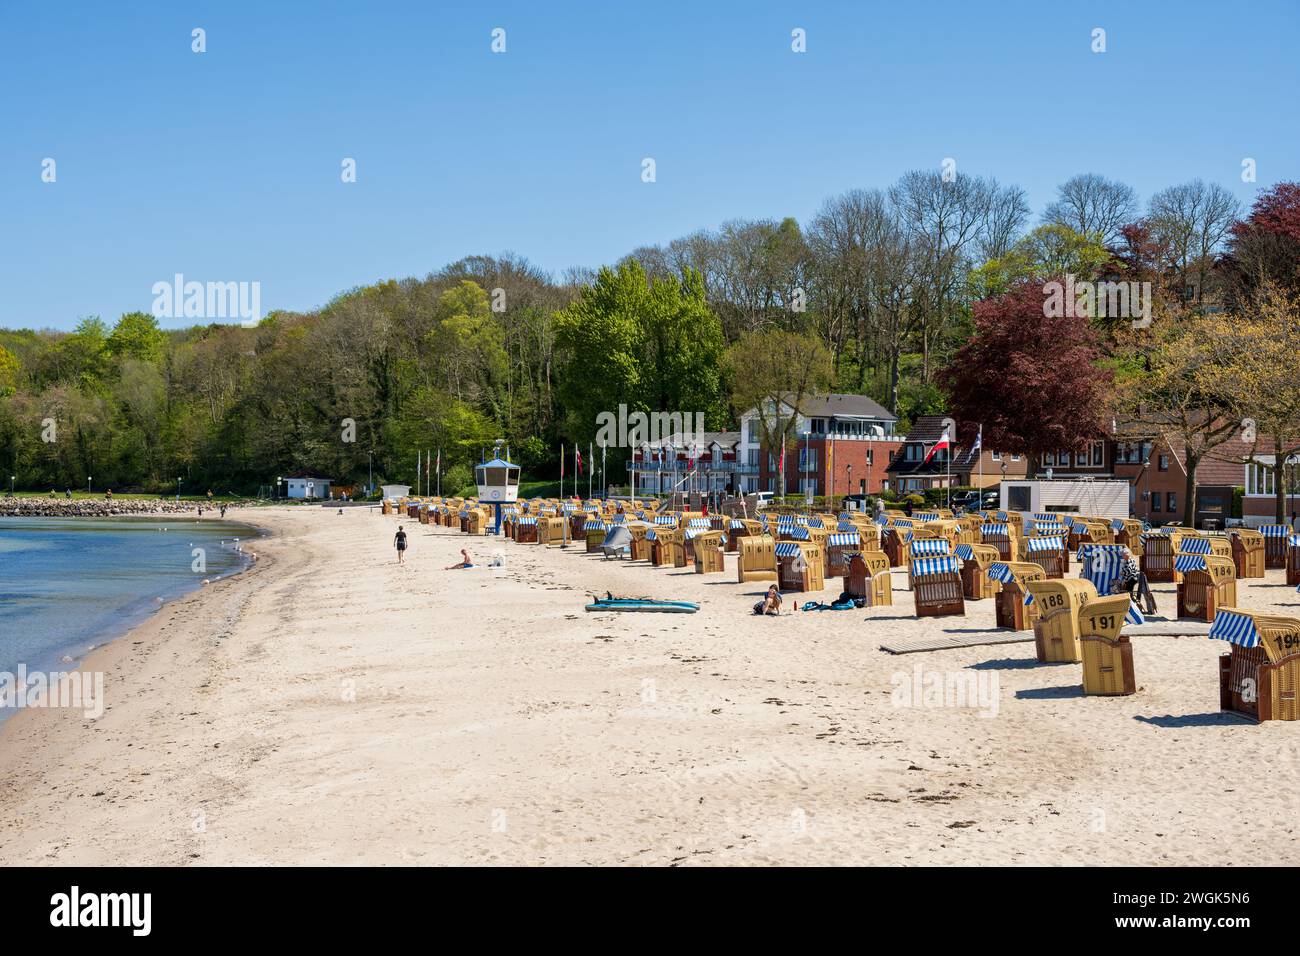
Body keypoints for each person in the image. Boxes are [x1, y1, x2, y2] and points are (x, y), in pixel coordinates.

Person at [1118, 546, 1157, 615]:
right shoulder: (1131, 560)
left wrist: (1123, 576)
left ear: (1126, 555)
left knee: (1128, 592)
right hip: (1134, 578)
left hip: (1131, 578)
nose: (1123, 557)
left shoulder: (1128, 562)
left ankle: (1130, 607)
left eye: (1123, 555)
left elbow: (1128, 572)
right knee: (1130, 592)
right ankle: (1131, 606)